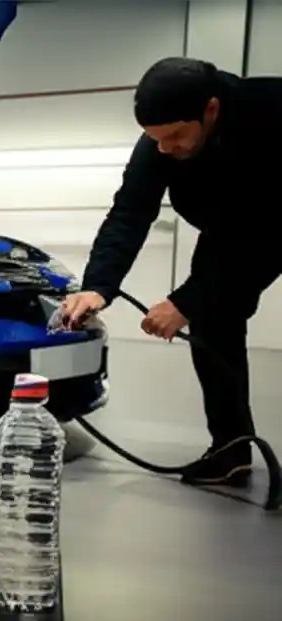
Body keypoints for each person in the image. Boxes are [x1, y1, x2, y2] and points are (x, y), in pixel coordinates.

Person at [60, 57, 282, 486]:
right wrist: (98, 286)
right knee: (215, 321)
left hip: (272, 216)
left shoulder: (269, 117)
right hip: (230, 226)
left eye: (177, 136)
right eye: (156, 139)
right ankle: (231, 449)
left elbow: (266, 235)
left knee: (205, 302)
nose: (166, 148)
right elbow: (129, 213)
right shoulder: (161, 143)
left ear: (211, 110)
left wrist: (186, 301)